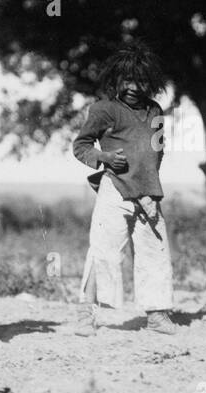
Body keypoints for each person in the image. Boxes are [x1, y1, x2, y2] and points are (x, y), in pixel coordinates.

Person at [71, 41, 176, 335]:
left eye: (140, 81)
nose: (132, 87)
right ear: (116, 80)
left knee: (156, 252)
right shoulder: (104, 110)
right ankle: (85, 314)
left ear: (151, 83)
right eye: (126, 80)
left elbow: (157, 152)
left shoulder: (155, 110)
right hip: (114, 191)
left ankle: (157, 315)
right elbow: (80, 145)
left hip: (148, 194)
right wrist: (102, 157)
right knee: (103, 252)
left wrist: (150, 190)